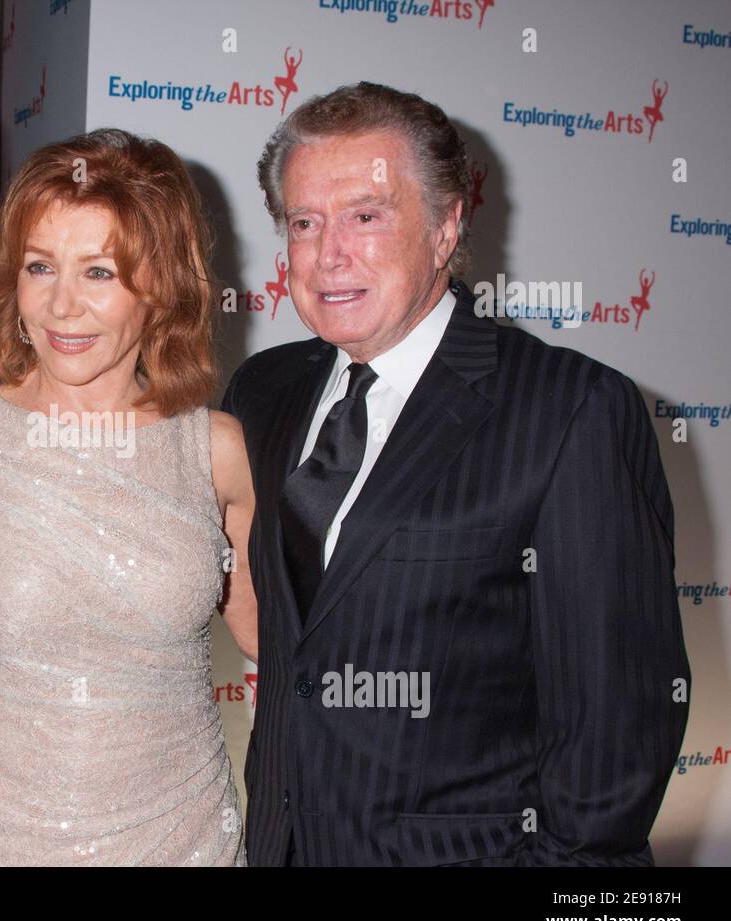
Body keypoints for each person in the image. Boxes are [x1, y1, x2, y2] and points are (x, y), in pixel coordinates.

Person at [225, 82, 689, 866]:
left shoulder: (571, 410)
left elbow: (614, 743)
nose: (328, 253)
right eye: (305, 223)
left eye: (365, 216)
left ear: (446, 227)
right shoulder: (262, 394)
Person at [0, 128, 258, 866]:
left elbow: (283, 651)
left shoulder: (217, 450)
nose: (61, 306)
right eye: (40, 267)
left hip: (187, 839)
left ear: (160, 286)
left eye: (99, 272)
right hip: (5, 842)